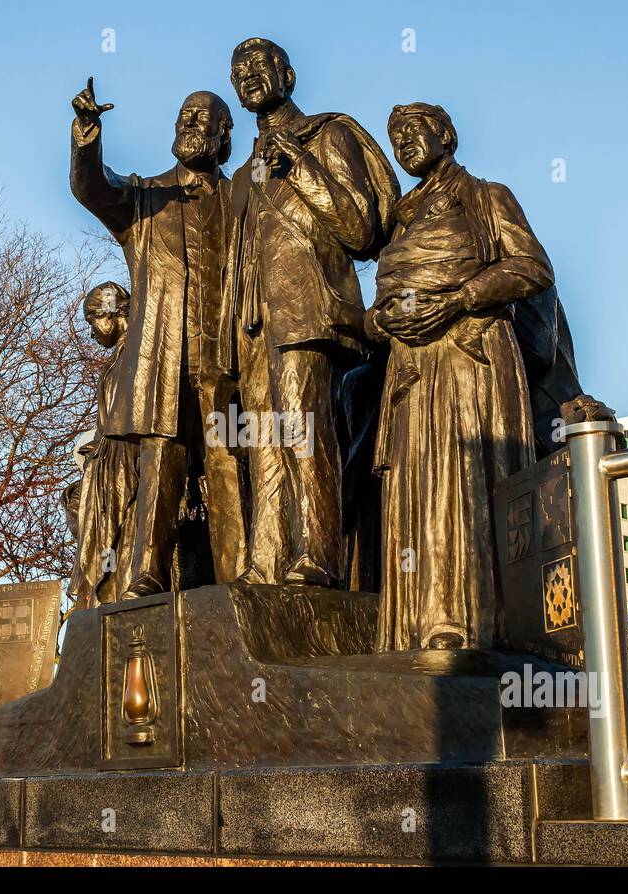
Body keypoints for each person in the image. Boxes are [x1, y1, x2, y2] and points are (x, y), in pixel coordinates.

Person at [369, 102, 552, 650]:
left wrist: (460, 300)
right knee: (414, 488)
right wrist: (382, 319)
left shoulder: (486, 197)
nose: (403, 141)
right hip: (410, 371)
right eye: (394, 135)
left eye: (413, 130)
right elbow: (376, 310)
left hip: (467, 362)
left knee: (460, 484)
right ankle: (409, 627)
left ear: (446, 134)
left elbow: (532, 267)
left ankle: (466, 621)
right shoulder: (401, 220)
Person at [221, 37, 399, 588]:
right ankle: (269, 559)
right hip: (253, 323)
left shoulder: (328, 133)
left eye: (259, 65)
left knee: (302, 428)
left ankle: (317, 554)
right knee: (265, 444)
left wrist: (300, 166)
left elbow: (361, 228)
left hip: (307, 307)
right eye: (238, 70)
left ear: (289, 75)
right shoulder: (242, 174)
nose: (247, 75)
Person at [70, 78, 245, 596]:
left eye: (202, 118)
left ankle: (237, 578)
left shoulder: (239, 200)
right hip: (163, 358)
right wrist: (87, 133)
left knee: (228, 466)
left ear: (224, 139)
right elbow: (91, 187)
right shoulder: (144, 197)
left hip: (225, 359)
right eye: (183, 117)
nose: (190, 124)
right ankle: (143, 575)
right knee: (160, 465)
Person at [69, 282, 138, 608]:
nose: (93, 332)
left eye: (92, 320)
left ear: (109, 315)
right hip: (107, 462)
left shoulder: (136, 354)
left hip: (122, 461)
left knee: (111, 537)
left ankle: (106, 595)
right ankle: (97, 595)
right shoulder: (122, 355)